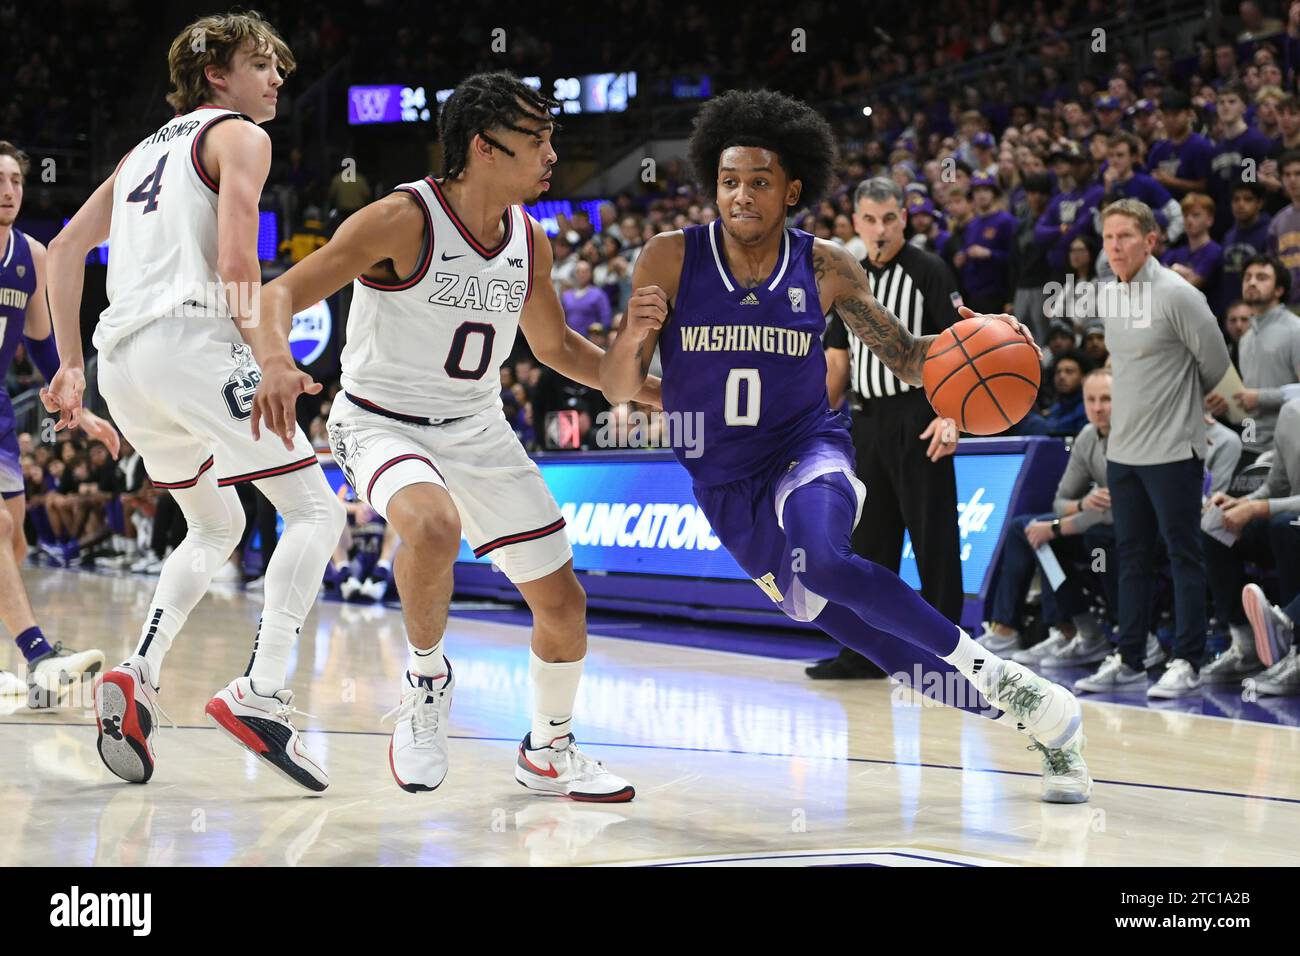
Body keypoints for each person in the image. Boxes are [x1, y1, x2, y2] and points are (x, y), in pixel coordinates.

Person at [601, 89, 1093, 803]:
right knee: (886, 649)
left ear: (792, 189)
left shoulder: (826, 266)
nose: (741, 195)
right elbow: (621, 382)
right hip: (724, 488)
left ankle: (997, 669)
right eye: (729, 181)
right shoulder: (670, 258)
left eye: (759, 182)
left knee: (825, 559)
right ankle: (1043, 720)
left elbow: (904, 356)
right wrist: (632, 332)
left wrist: (971, 343)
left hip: (809, 449)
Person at [255, 71, 660, 799]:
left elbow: (560, 349)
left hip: (477, 427)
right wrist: (278, 363)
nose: (549, 153)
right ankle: (425, 679)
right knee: (433, 524)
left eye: (550, 138)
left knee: (564, 605)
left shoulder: (529, 240)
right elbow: (280, 292)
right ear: (483, 146)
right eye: (535, 138)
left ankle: (549, 749)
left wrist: (651, 389)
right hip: (378, 420)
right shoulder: (402, 218)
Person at [43, 12, 346, 790]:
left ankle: (139, 672)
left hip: (122, 363)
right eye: (262, 64)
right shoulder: (240, 135)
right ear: (218, 76)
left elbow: (67, 248)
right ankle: (263, 694)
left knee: (218, 521)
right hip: (189, 343)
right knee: (317, 512)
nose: (278, 78)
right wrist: (273, 357)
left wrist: (72, 366)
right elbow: (236, 257)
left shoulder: (142, 150)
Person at [1074, 199, 1233, 698]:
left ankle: (1187, 659)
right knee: (1131, 556)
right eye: (1108, 238)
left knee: (1184, 554)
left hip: (1174, 449)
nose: (1114, 247)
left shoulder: (1178, 295)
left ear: (1151, 240)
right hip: (1124, 450)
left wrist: (1185, 403)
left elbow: (1215, 364)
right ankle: (1129, 655)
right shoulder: (1109, 296)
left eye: (1124, 237)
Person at [817, 177, 965, 680]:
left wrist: (951, 417)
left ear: (904, 218)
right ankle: (867, 653)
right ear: (855, 223)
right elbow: (837, 364)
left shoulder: (930, 270)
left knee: (934, 540)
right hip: (867, 422)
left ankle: (950, 658)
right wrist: (809, 423)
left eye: (889, 219)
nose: (880, 229)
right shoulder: (848, 278)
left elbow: (958, 351)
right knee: (867, 545)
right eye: (870, 220)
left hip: (920, 414)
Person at [0, 141, 110, 707]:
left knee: (13, 541)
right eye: (0, 179)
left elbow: (43, 345)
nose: (9, 190)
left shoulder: (32, 255)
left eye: (17, 180)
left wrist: (79, 409)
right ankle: (39, 656)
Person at [986, 369, 1130, 667]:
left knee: (1085, 539)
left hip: (1129, 531)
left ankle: (1117, 636)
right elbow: (1061, 500)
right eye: (1091, 400)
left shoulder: (1132, 437)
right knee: (1024, 529)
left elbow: (1119, 510)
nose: (1098, 407)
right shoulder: (1087, 437)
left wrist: (1058, 525)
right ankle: (1028, 630)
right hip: (1093, 522)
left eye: (1106, 399)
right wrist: (1080, 505)